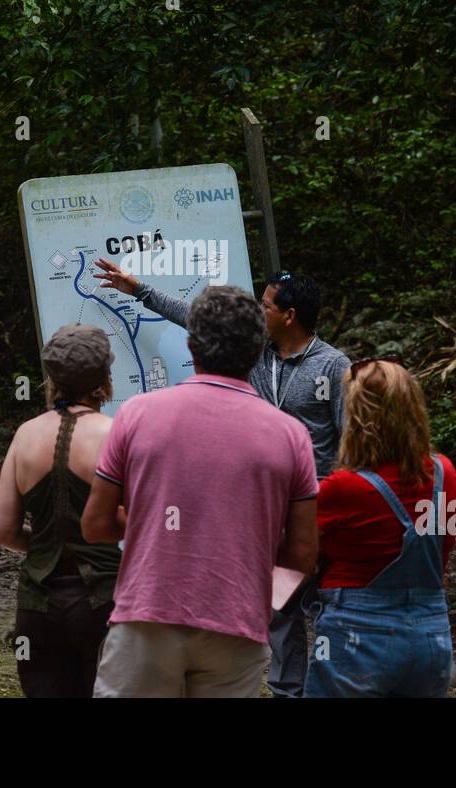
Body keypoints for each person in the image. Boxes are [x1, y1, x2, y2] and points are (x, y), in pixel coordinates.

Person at [92, 259, 348, 696]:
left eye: (265, 304)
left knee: (322, 610)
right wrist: (139, 289)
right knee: (278, 612)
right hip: (261, 505)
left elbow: (349, 443)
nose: (257, 309)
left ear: (289, 315)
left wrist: (331, 505)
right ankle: (286, 690)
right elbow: (199, 320)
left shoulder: (334, 366)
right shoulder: (255, 349)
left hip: (312, 506)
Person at [304, 358, 456, 697]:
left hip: (356, 633)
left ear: (357, 417)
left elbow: (302, 558)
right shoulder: (444, 473)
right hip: (431, 632)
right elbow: (445, 543)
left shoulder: (343, 487)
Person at [0, 324, 123, 698]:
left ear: (52, 379)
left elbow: (3, 530)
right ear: (104, 379)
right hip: (104, 600)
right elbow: (138, 520)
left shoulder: (26, 434)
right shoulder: (115, 434)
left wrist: (49, 543)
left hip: (38, 603)